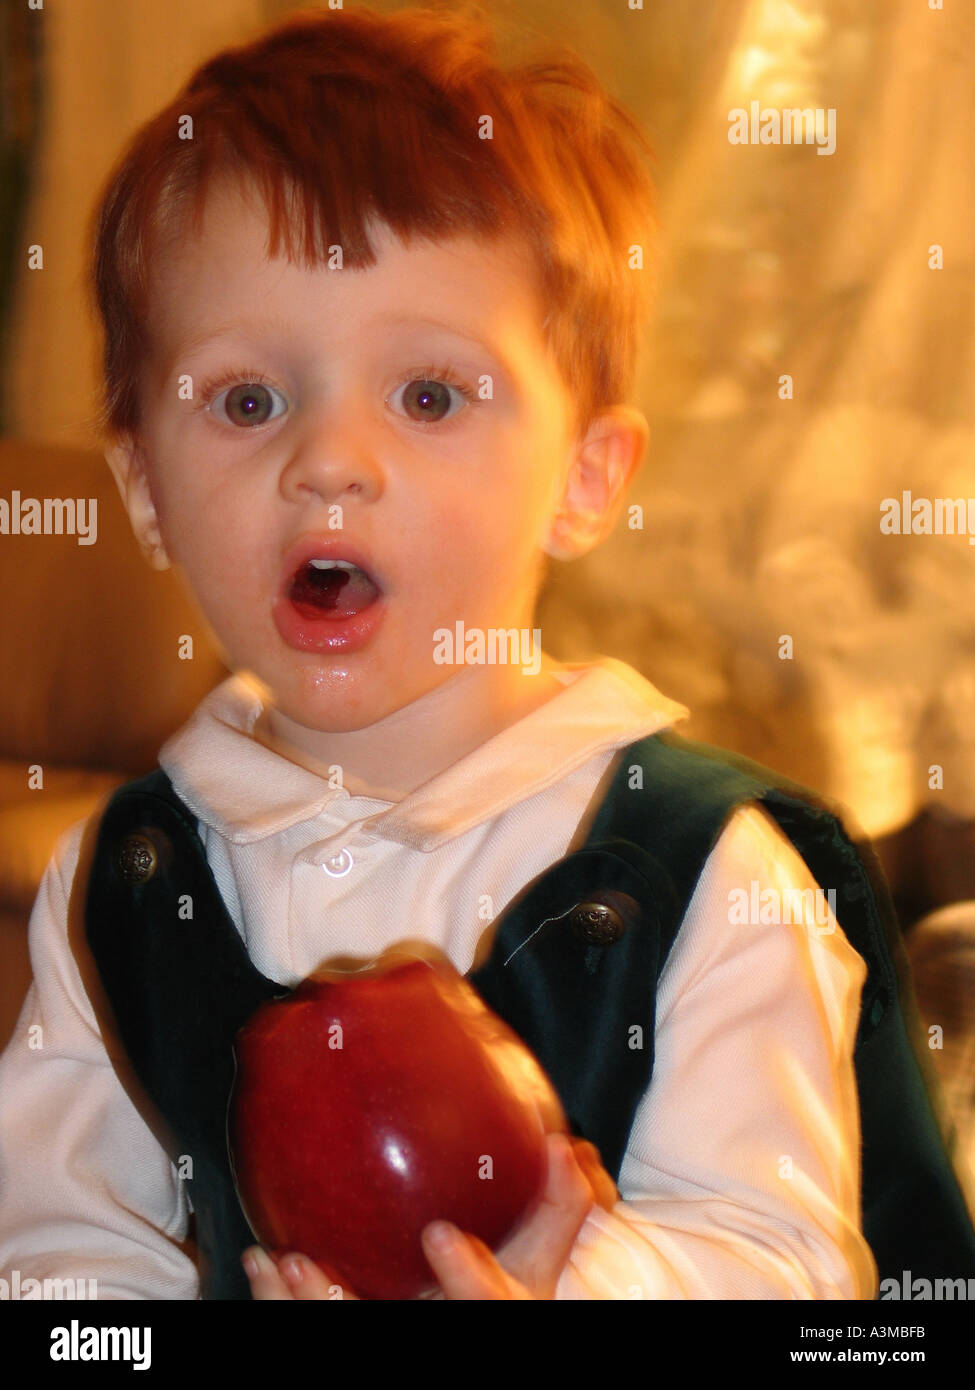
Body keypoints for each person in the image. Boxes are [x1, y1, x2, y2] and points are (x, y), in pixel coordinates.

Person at [0, 3, 950, 1301]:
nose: (328, 460)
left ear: (585, 474)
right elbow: (55, 1259)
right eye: (248, 399)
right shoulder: (118, 887)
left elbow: (787, 1266)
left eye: (431, 394)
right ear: (146, 489)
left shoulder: (713, 879)